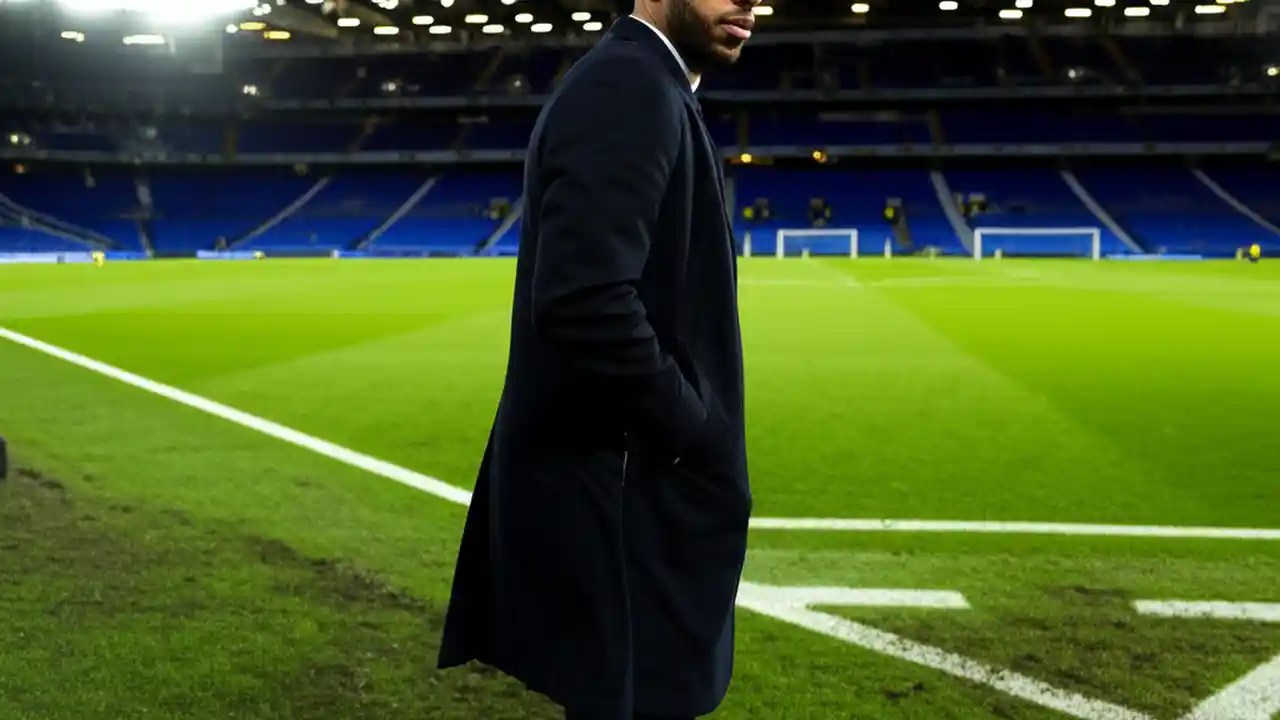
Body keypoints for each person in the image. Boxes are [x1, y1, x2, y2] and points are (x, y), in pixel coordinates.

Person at [438, 1, 760, 718]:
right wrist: (690, 427)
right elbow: (586, 299)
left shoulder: (648, 83)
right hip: (623, 498)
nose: (749, 1)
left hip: (622, 490)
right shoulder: (630, 87)